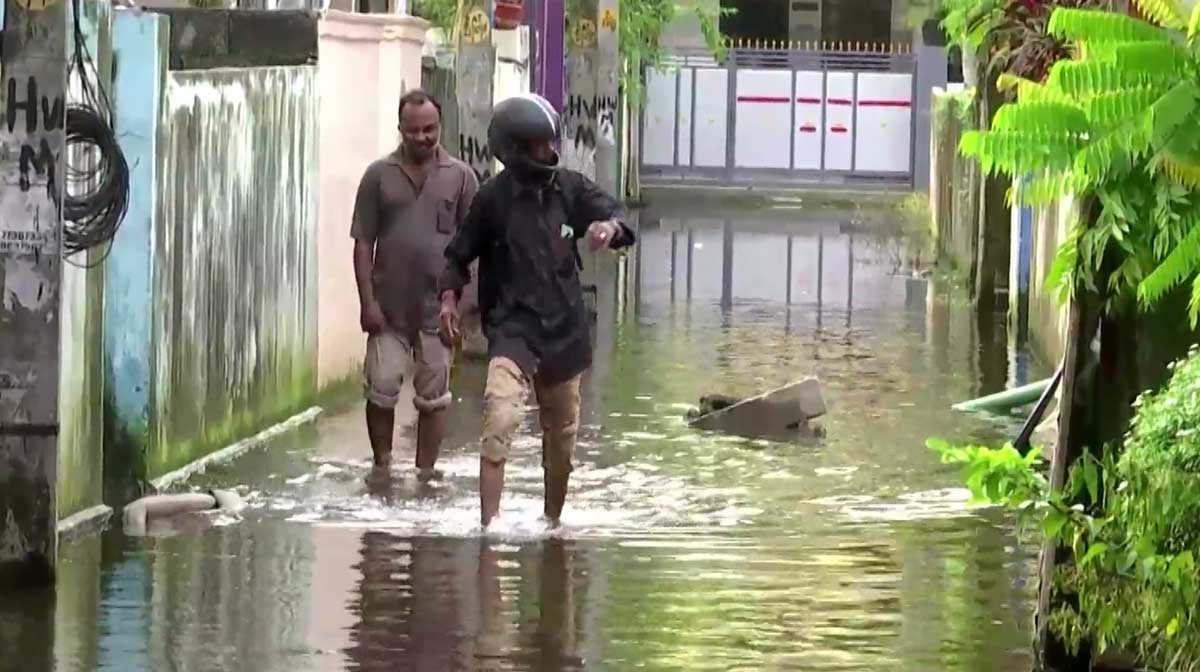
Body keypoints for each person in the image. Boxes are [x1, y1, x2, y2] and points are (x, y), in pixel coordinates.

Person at [437, 94, 636, 526]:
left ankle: (553, 525)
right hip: (512, 330)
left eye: (551, 143)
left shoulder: (570, 187)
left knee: (561, 442)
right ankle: (488, 532)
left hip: (565, 330)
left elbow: (615, 216)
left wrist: (608, 228)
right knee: (499, 421)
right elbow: (457, 256)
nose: (550, 152)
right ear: (514, 149)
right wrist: (449, 300)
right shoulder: (492, 199)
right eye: (539, 145)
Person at [351, 89, 479, 476]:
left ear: (440, 127)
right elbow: (362, 242)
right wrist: (367, 303)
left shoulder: (460, 178)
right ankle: (383, 466)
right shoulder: (378, 176)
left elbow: (475, 246)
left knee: (434, 396)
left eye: (430, 130)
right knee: (381, 386)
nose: (422, 137)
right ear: (400, 129)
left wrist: (461, 305)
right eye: (414, 131)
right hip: (388, 309)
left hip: (437, 310)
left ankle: (426, 473)